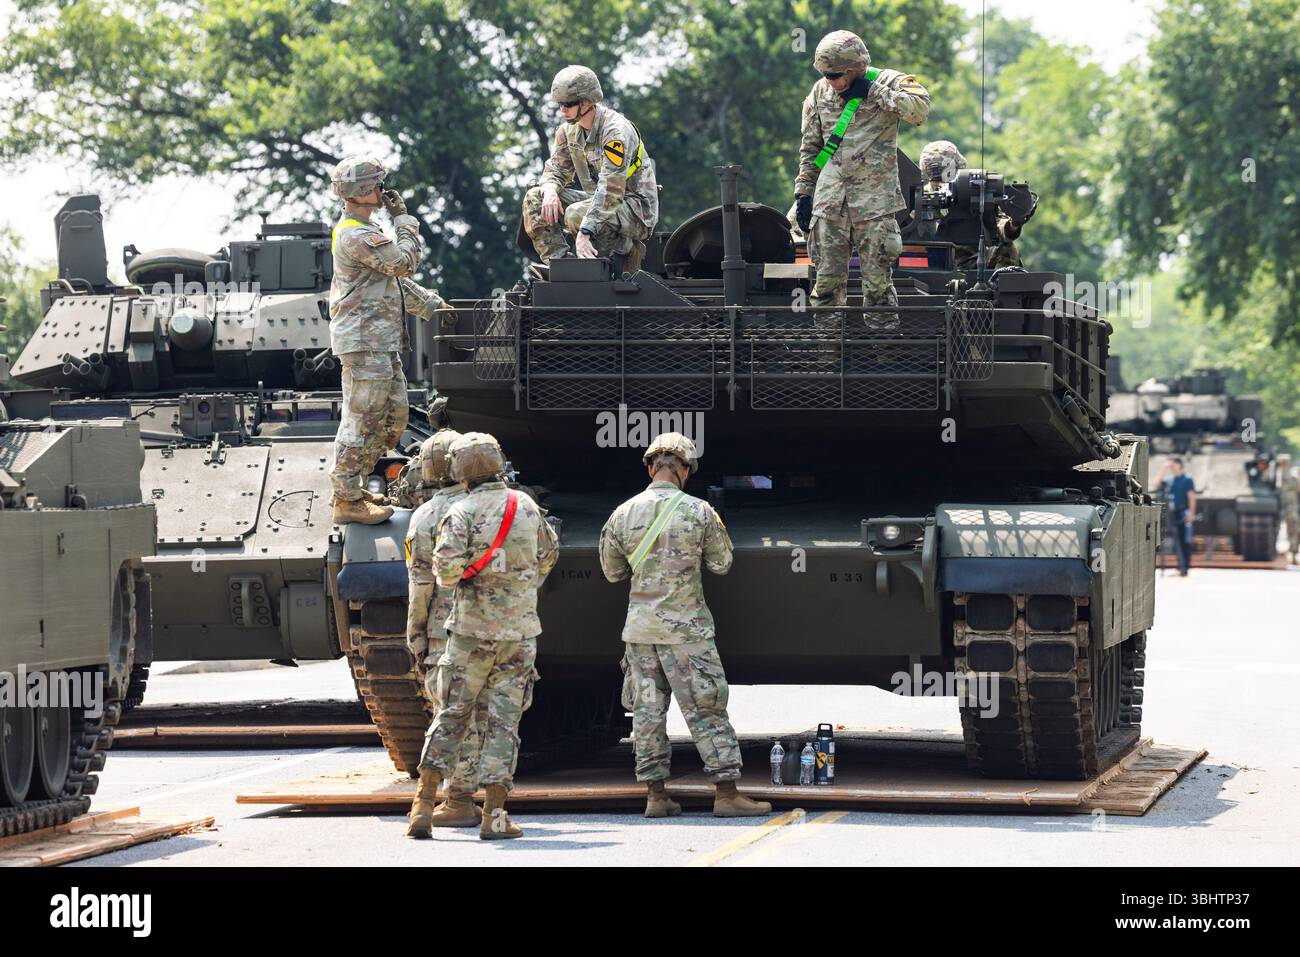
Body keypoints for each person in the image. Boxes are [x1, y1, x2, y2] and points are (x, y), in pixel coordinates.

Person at [598, 432, 772, 819]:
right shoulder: (700, 511)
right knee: (707, 708)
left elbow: (612, 573)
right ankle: (726, 794)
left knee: (646, 714)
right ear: (686, 471)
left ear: (650, 467)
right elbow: (721, 564)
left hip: (641, 632)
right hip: (687, 632)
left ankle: (656, 796)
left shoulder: (622, 513)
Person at [407, 432, 558, 841]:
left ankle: (422, 806)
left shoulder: (461, 511)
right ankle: (494, 816)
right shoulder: (525, 506)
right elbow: (548, 556)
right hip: (519, 633)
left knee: (451, 714)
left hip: (470, 633)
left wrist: (476, 575)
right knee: (504, 724)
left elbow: (445, 572)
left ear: (459, 472)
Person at [327, 155, 452, 525]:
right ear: (364, 191)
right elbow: (403, 263)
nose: (384, 191)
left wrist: (431, 305)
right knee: (361, 420)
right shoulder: (356, 234)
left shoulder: (366, 230)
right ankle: (345, 498)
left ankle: (355, 488)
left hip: (380, 343)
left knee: (392, 419)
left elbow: (393, 282)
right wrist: (404, 221)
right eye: (379, 185)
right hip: (364, 343)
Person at [793, 31, 930, 328]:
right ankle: (828, 360)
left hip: (875, 205)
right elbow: (811, 148)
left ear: (855, 68)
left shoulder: (890, 82)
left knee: (878, 289)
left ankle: (881, 361)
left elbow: (920, 112)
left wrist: (874, 92)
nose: (831, 81)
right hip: (830, 205)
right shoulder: (820, 92)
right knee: (826, 286)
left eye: (836, 75)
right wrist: (804, 193)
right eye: (825, 75)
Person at [404, 430, 485, 833]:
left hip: (442, 631)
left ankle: (454, 797)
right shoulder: (486, 506)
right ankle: (492, 798)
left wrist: (415, 634)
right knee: (490, 712)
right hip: (490, 626)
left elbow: (420, 584)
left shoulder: (424, 517)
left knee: (450, 713)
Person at [521, 65, 659, 272]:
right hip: (598, 203)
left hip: (634, 210)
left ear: (587, 102)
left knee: (577, 214)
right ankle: (562, 267)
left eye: (568, 104)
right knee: (535, 198)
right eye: (560, 104)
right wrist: (550, 190)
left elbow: (612, 191)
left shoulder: (615, 133)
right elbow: (556, 170)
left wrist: (585, 232)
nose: (562, 110)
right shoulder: (568, 132)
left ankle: (622, 252)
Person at [916, 139, 1032, 270]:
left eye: (947, 176)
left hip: (972, 263)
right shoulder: (918, 198)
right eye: (935, 178)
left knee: (1008, 250)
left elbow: (999, 229)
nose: (941, 183)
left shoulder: (973, 191)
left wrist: (1015, 224)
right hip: (926, 262)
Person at [1159, 456, 1197, 575]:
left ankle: (1184, 567)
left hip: (1184, 512)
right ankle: (1182, 567)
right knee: (1177, 540)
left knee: (1185, 540)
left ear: (1179, 464)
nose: (1172, 465)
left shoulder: (1187, 479)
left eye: (1174, 463)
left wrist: (1191, 513)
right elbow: (1156, 484)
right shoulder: (1170, 479)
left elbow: (1191, 497)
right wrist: (1163, 469)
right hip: (1173, 513)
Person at [1277, 453, 1299, 565]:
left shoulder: (1294, 479)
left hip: (1291, 508)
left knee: (1293, 531)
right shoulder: (1272, 477)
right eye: (1282, 463)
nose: (1283, 465)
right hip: (1275, 508)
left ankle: (1293, 554)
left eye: (1285, 463)